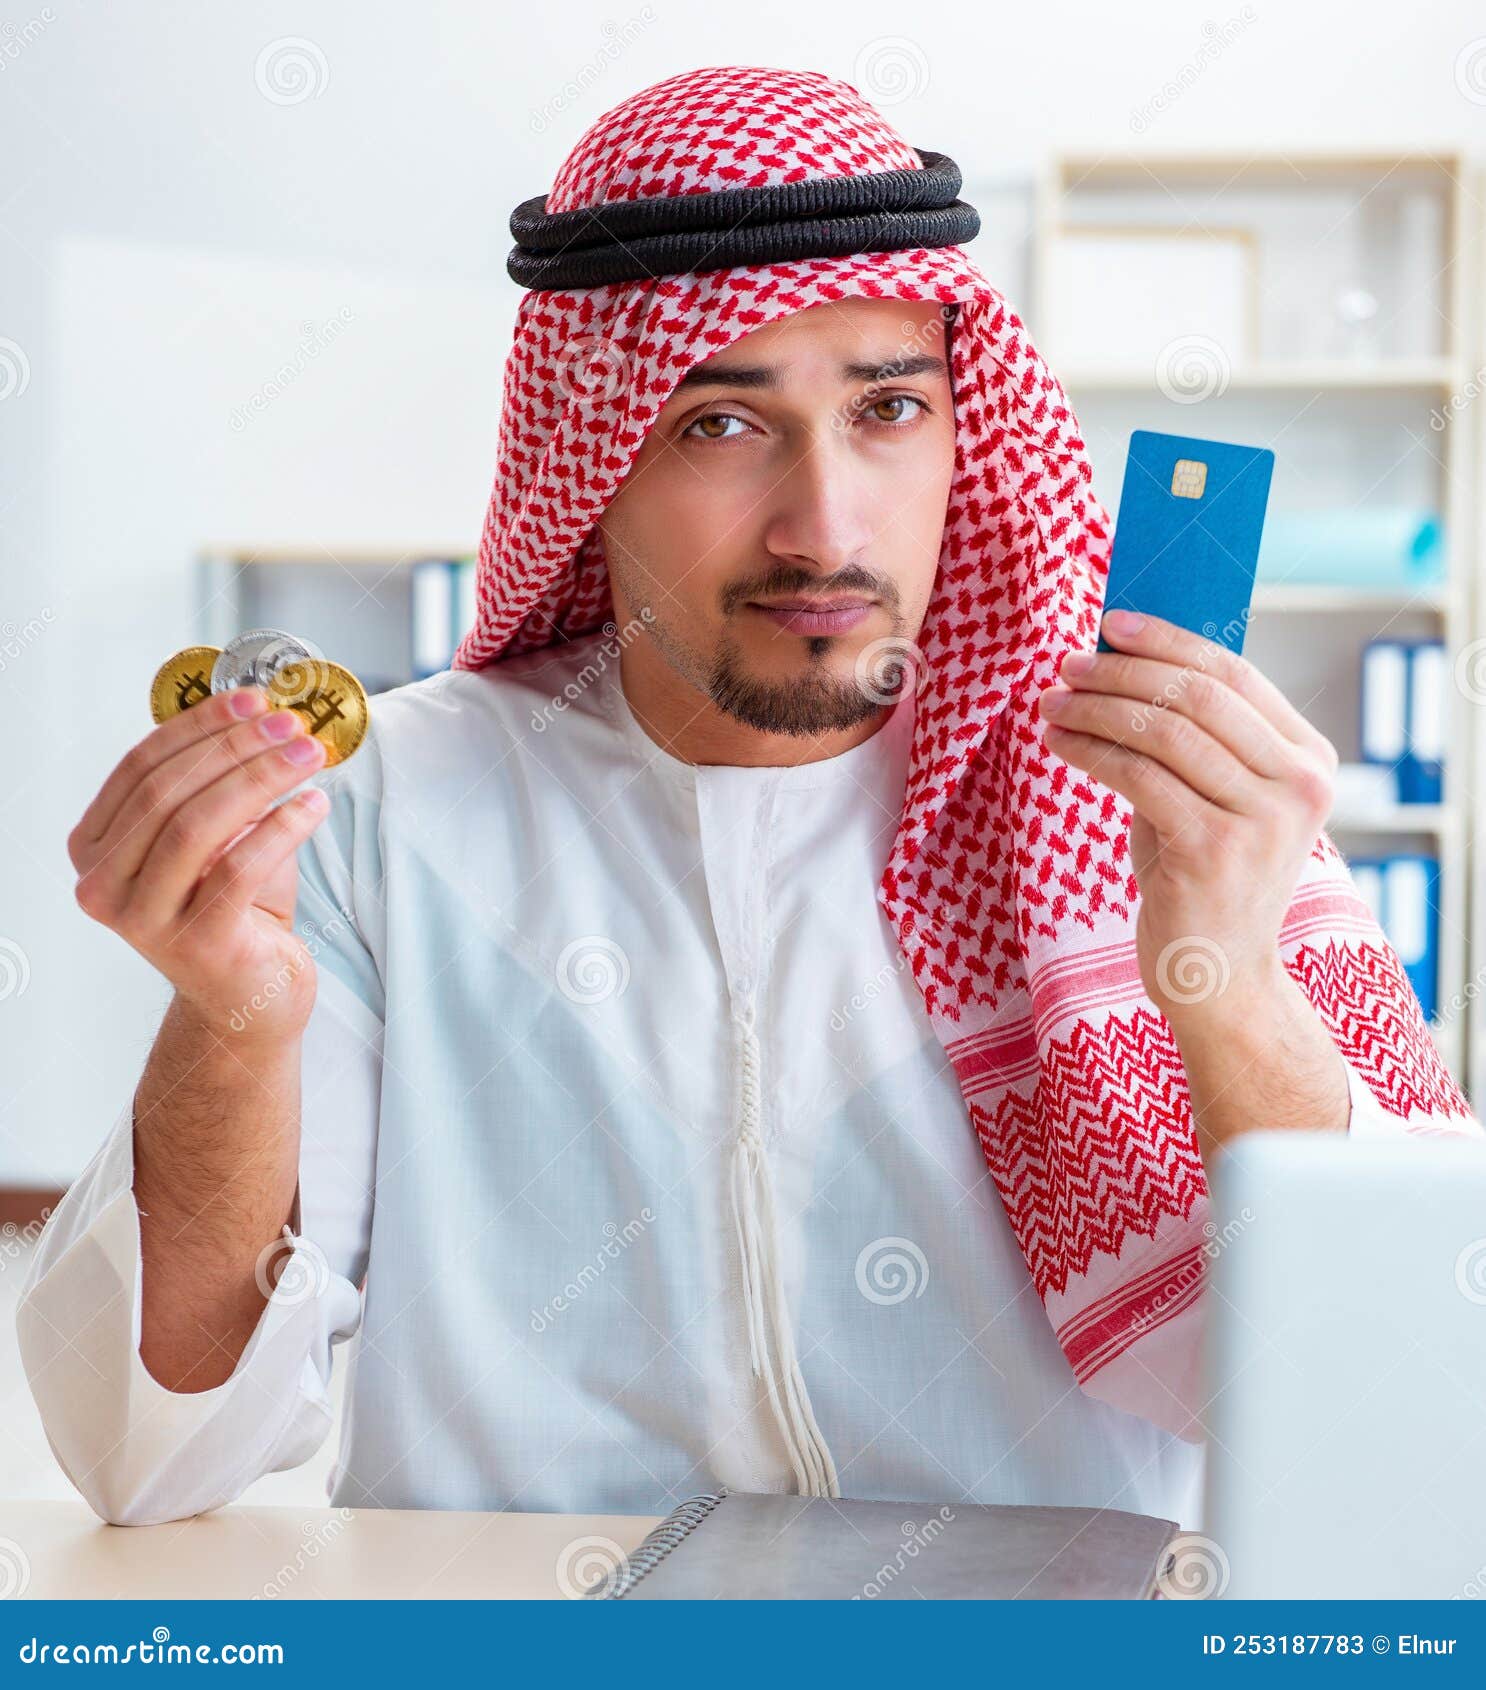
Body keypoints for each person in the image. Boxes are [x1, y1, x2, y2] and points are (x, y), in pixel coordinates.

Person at [19, 66, 1482, 1533]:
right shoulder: (390, 808)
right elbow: (147, 1457)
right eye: (721, 425)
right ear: (588, 465)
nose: (825, 526)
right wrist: (233, 1030)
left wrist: (1221, 980)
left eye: (889, 407)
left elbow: (1411, 1401)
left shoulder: (1148, 792)